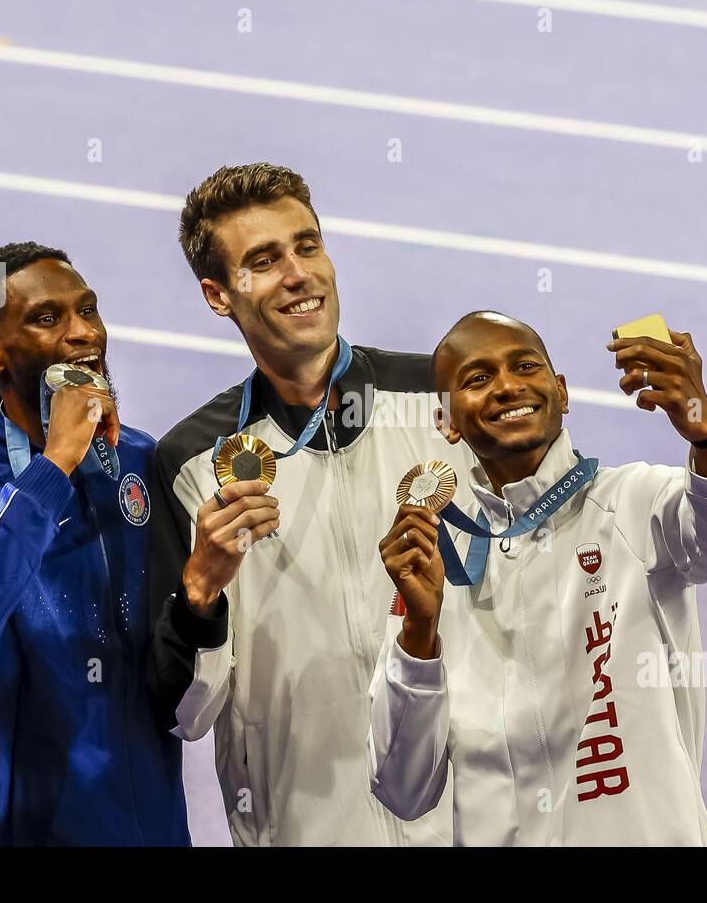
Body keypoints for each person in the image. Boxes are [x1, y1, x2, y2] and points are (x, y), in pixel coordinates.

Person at [148, 164, 475, 845]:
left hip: (472, 823)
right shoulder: (191, 463)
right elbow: (185, 714)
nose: (299, 274)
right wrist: (201, 590)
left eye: (308, 246)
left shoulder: (444, 398)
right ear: (218, 294)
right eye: (265, 261)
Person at [368, 311, 707, 845]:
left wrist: (706, 432)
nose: (507, 386)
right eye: (478, 378)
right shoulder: (440, 569)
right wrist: (419, 632)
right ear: (447, 421)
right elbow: (402, 788)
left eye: (525, 366)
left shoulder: (633, 503)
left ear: (561, 391)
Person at [0, 242, 189, 845]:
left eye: (88, 310)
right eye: (47, 318)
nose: (84, 333)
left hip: (149, 827)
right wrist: (51, 470)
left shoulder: (139, 459)